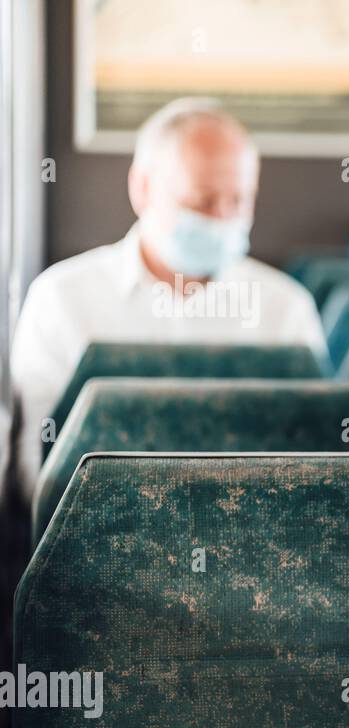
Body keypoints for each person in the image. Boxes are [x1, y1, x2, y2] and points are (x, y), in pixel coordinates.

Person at [9, 97, 325, 501]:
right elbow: (36, 473)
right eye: (202, 201)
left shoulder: (287, 309)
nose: (222, 219)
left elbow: (318, 467)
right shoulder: (61, 299)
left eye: (238, 200)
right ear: (142, 188)